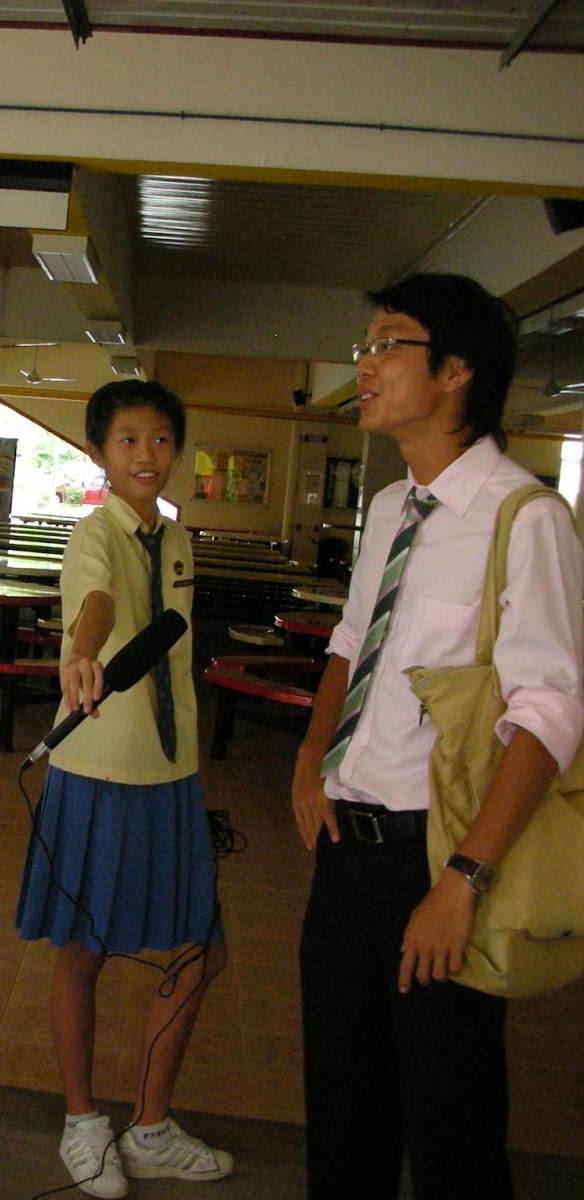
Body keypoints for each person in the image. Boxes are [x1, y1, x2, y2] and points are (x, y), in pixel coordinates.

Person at [290, 272, 584, 1200]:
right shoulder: (391, 508)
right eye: (365, 346)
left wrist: (461, 882)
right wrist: (309, 762)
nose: (366, 366)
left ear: (457, 370)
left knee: (451, 1127)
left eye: (389, 345)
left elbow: (550, 711)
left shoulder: (525, 519)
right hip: (348, 850)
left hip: (440, 854)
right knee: (343, 1113)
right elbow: (351, 640)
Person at [15, 379, 232, 1198]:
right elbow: (98, 602)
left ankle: (150, 1126)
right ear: (99, 453)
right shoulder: (93, 534)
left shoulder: (176, 541)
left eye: (162, 439)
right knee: (83, 951)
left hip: (172, 774)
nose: (148, 455)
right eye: (129, 440)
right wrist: (82, 651)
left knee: (200, 949)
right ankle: (82, 1122)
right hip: (100, 771)